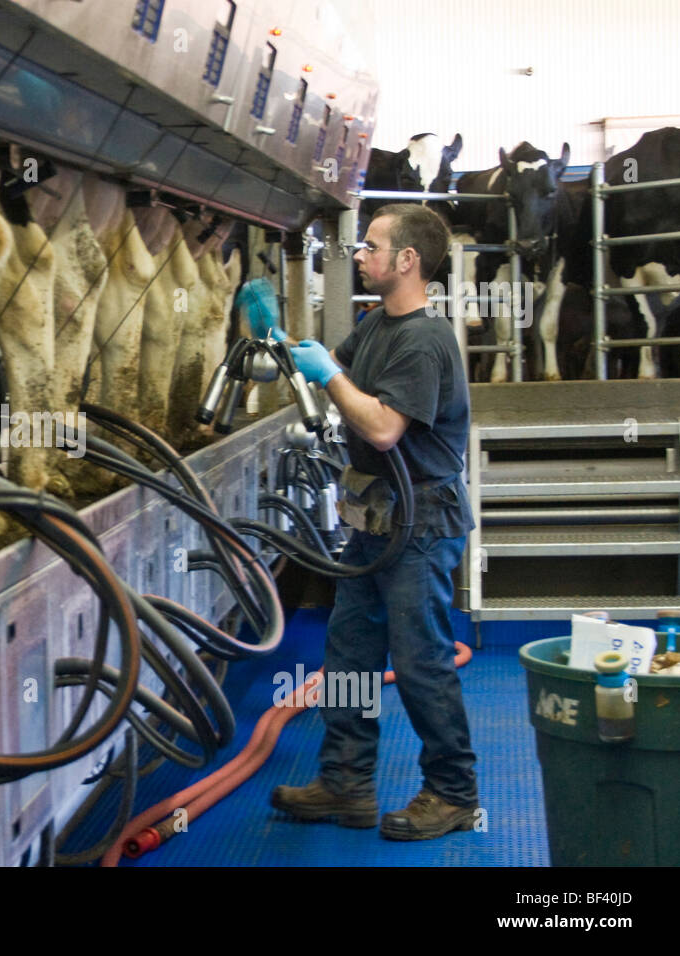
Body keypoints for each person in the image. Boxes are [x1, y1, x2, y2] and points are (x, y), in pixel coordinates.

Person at [269, 203, 479, 840]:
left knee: (421, 662)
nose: (359, 254)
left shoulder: (424, 338)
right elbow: (336, 366)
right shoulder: (376, 323)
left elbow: (384, 428)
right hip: (374, 520)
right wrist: (286, 355)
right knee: (351, 654)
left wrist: (329, 375)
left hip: (421, 523)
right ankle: (346, 782)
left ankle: (453, 793)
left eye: (371, 246)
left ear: (407, 261)